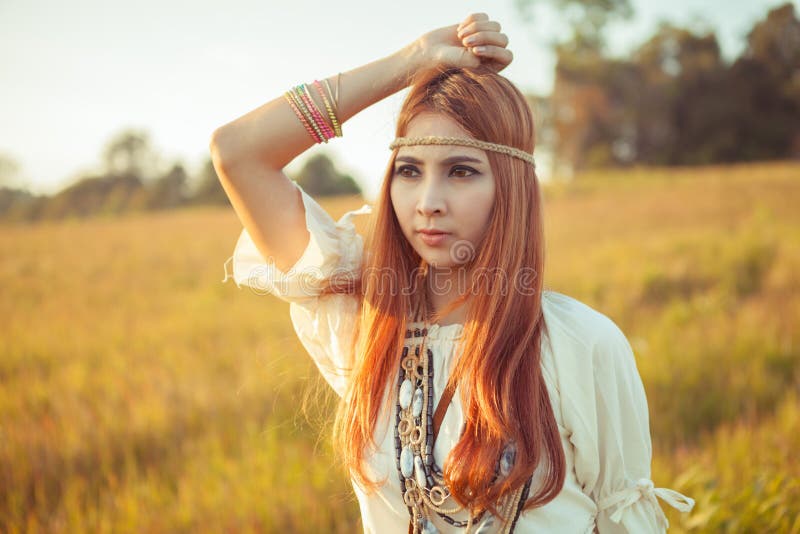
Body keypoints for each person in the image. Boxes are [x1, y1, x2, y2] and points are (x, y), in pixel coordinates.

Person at [211, 12, 695, 534]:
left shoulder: (580, 344)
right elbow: (239, 152)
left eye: (461, 171)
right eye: (409, 171)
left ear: (510, 187)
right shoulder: (365, 321)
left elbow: (622, 521)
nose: (428, 202)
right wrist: (411, 62)